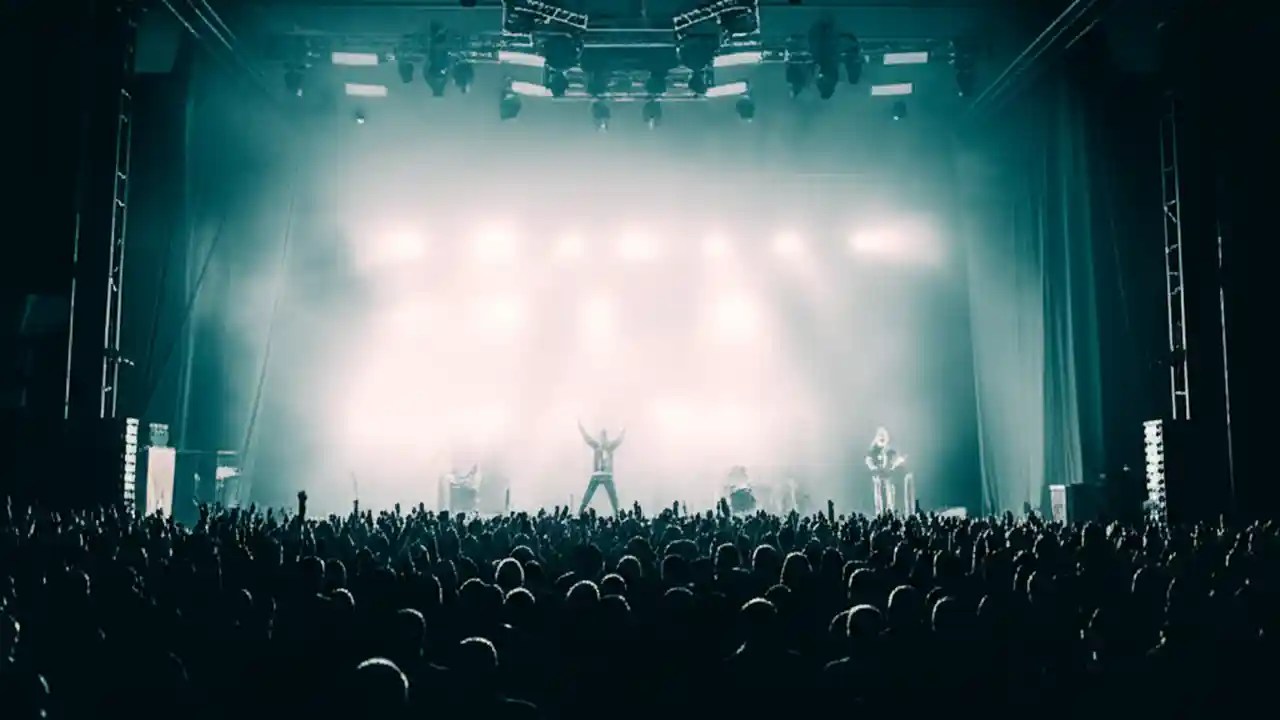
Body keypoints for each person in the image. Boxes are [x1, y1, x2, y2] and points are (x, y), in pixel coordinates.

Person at [577, 421, 625, 514]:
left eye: (604, 437)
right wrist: (581, 427)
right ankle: (580, 511)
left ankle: (617, 514)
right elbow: (587, 438)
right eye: (602, 437)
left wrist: (624, 430)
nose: (603, 439)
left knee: (613, 498)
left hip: (606, 475)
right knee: (588, 495)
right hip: (598, 474)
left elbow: (619, 440)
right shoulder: (598, 446)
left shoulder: (609, 446)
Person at [865, 426, 908, 514]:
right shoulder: (873, 449)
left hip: (889, 476)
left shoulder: (891, 449)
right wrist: (874, 468)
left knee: (890, 495)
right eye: (880, 435)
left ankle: (890, 513)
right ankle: (880, 514)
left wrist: (896, 464)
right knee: (879, 496)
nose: (882, 438)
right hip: (878, 476)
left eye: (883, 435)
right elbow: (868, 459)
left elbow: (898, 458)